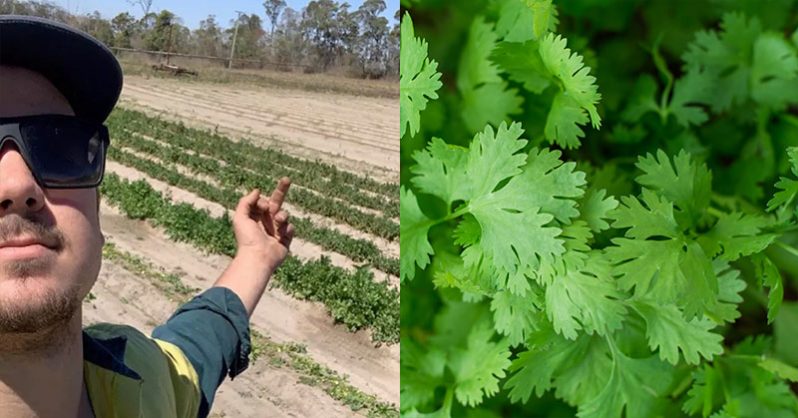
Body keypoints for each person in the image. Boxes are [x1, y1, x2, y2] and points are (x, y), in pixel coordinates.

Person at [0, 15, 295, 418]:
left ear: (97, 212)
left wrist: (255, 256)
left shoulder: (145, 378)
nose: (16, 185)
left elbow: (199, 344)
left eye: (58, 147)